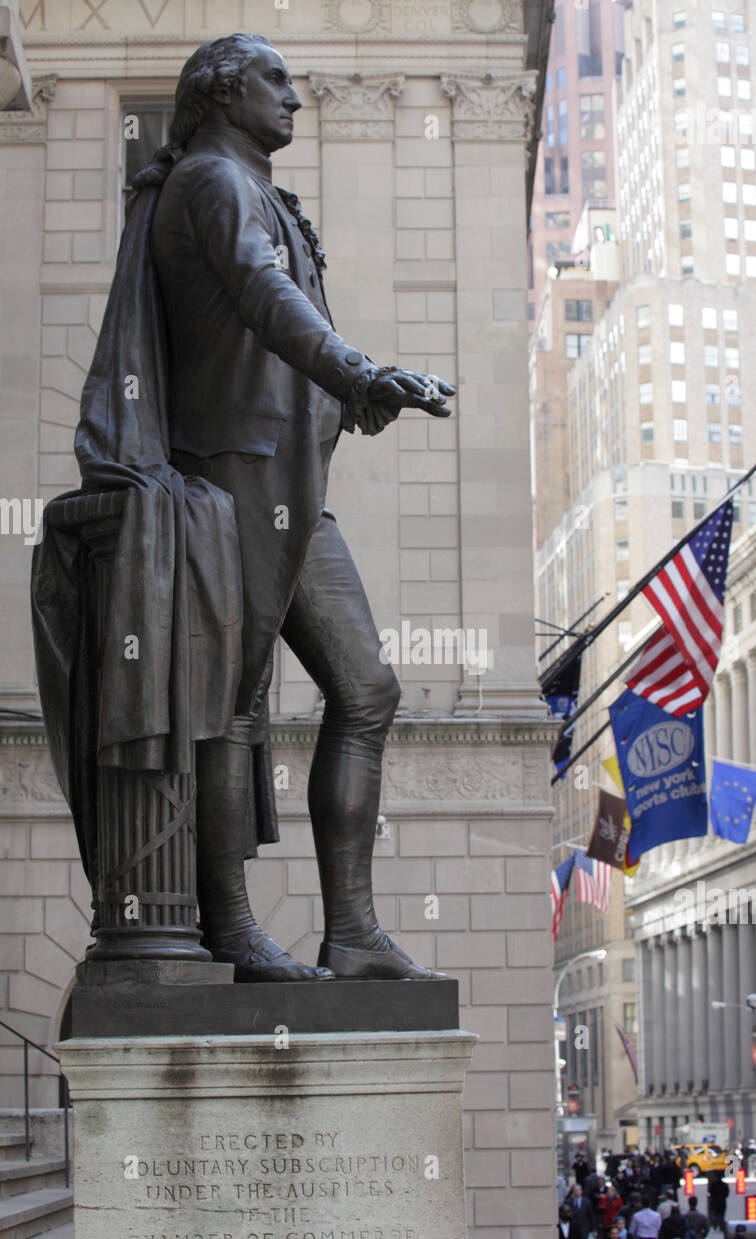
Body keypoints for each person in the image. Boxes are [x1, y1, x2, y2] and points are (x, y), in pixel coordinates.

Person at [143, 34, 455, 982]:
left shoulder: (253, 188)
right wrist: (360, 369)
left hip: (289, 482)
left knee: (366, 690)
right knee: (233, 704)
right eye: (275, 82)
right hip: (233, 473)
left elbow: (279, 324)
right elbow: (265, 293)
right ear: (224, 93)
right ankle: (230, 928)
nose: (296, 99)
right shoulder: (212, 180)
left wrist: (351, 391)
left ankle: (352, 931)